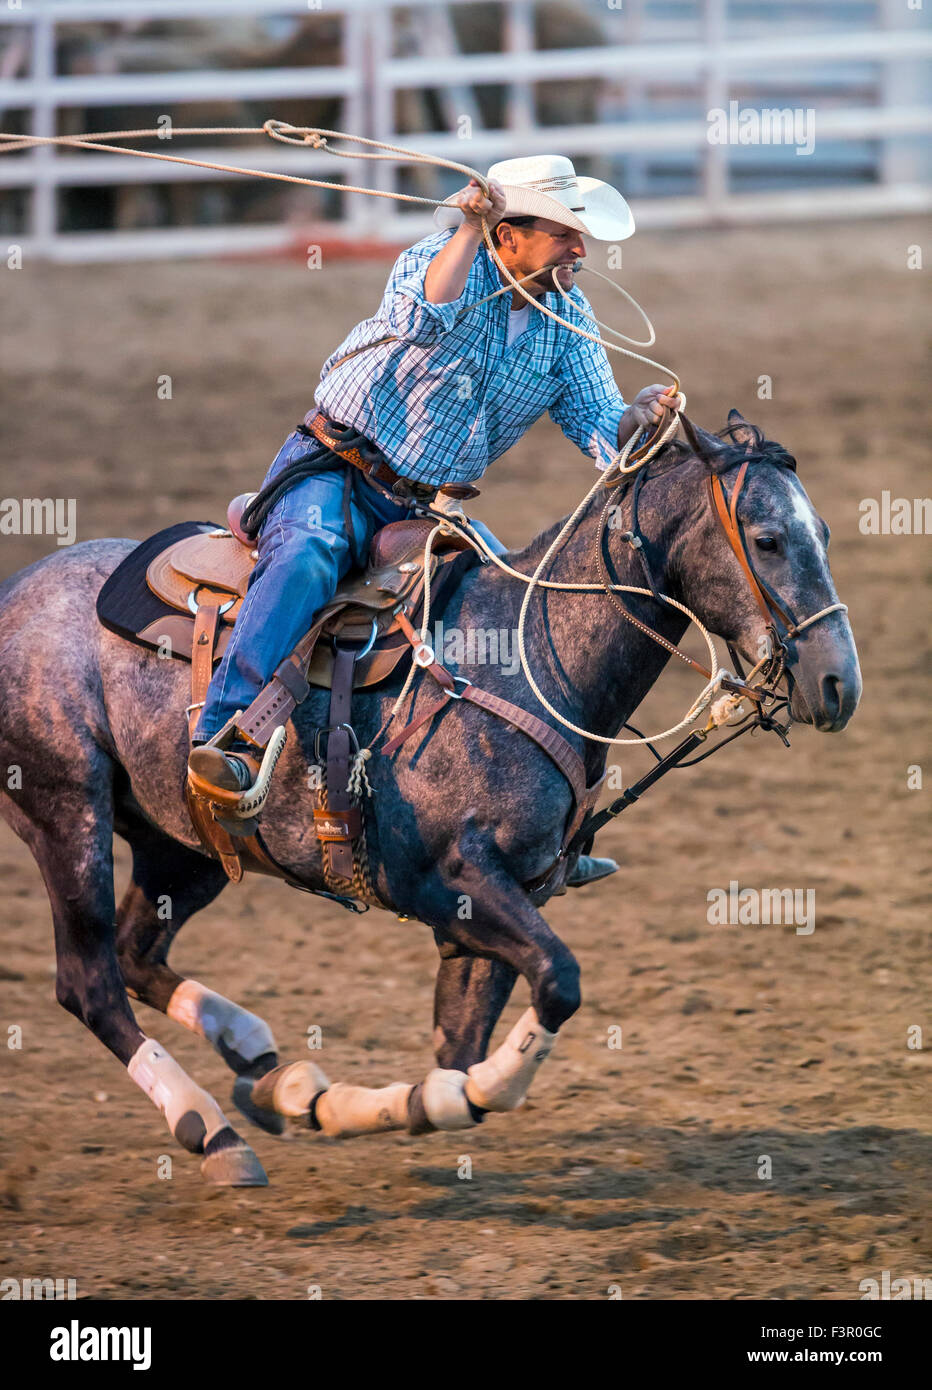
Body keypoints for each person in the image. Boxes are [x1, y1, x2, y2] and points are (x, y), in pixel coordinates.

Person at [188, 154, 680, 887]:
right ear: (506, 235)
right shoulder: (439, 261)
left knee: (496, 607)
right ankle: (227, 736)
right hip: (336, 470)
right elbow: (424, 314)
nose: (581, 249)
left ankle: (542, 826)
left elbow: (598, 428)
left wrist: (636, 425)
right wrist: (464, 226)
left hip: (423, 505)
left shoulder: (566, 316)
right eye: (563, 233)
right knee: (308, 557)